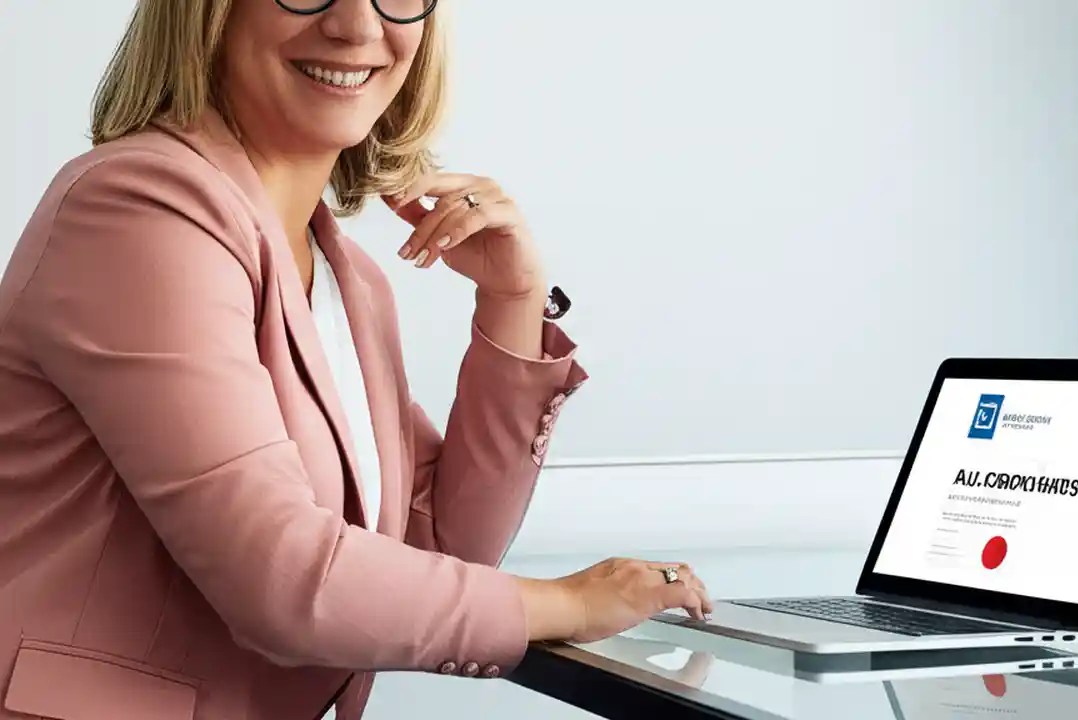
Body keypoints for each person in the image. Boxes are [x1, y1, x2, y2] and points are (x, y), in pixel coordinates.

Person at [0, 1, 712, 717]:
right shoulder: (139, 211)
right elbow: (280, 579)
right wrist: (567, 603)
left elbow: (437, 551)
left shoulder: (348, 284)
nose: (357, 26)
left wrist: (513, 300)